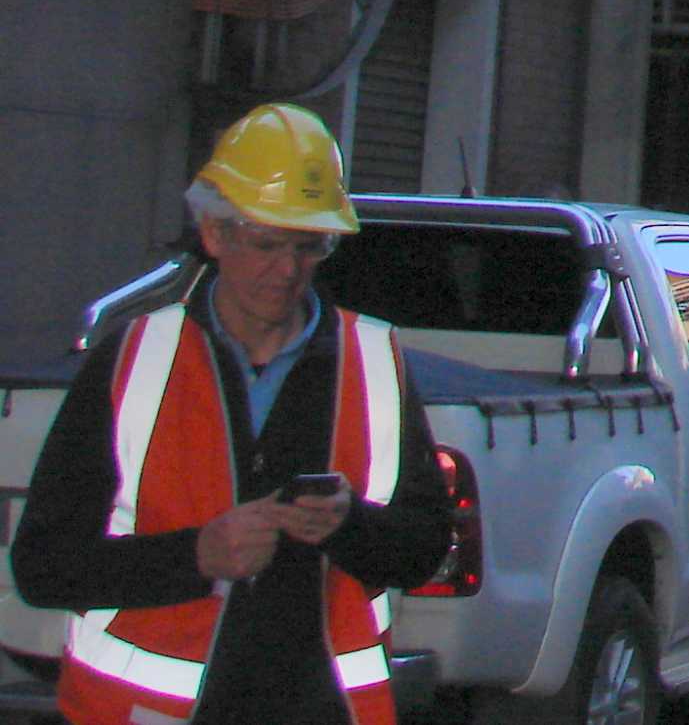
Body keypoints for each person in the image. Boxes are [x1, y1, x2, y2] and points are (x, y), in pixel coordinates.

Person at [10, 104, 452, 725]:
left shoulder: (373, 359)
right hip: (146, 712)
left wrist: (350, 525)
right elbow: (43, 566)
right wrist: (196, 555)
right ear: (214, 235)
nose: (288, 269)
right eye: (267, 243)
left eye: (308, 247)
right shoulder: (137, 358)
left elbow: (423, 550)